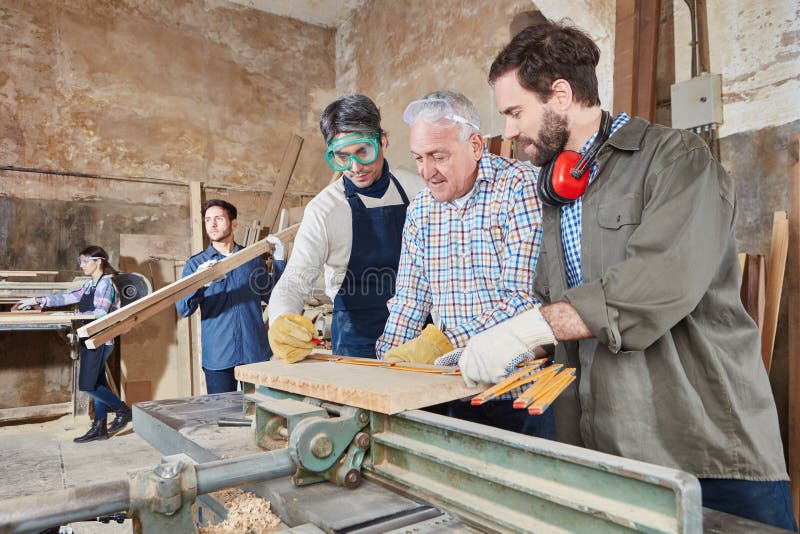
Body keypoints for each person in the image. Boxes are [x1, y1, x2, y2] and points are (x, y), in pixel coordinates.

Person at [458, 21, 796, 530]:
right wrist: (514, 352)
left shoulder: (676, 161)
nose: (508, 131)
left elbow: (659, 283)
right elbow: (558, 310)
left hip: (705, 447)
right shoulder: (557, 189)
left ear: (561, 95)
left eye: (514, 112)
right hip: (610, 447)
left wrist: (527, 328)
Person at [375, 89, 552, 438]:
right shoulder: (422, 210)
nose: (427, 172)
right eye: (418, 158)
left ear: (474, 145)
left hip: (521, 392)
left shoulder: (519, 188)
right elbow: (410, 301)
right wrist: (386, 364)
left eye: (438, 156)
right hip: (456, 389)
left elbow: (522, 300)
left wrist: (441, 344)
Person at [267, 95, 424, 361]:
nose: (355, 167)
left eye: (363, 151)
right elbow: (295, 279)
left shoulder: (418, 191)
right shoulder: (324, 210)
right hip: (355, 342)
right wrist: (281, 321)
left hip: (416, 338)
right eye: (342, 157)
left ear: (382, 141)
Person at [13, 246, 130, 443]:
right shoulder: (89, 285)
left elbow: (100, 313)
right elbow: (67, 297)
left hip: (101, 339)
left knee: (87, 385)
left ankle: (122, 410)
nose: (81, 265)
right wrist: (35, 300)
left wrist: (70, 315)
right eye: (80, 261)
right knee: (98, 383)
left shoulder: (106, 285)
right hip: (89, 338)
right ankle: (100, 428)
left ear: (98, 261)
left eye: (85, 261)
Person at [176, 199, 285, 394]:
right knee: (222, 415)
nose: (212, 224)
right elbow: (183, 309)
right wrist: (199, 282)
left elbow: (274, 297)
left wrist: (278, 263)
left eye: (218, 218)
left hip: (254, 351)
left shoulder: (251, 259)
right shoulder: (196, 265)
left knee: (259, 413)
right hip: (219, 353)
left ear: (234, 224)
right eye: (208, 220)